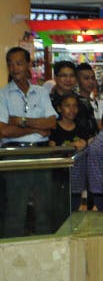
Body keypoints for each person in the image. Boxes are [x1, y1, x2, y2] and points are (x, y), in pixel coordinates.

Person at [0, 47, 57, 237]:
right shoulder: (3, 94)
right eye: (10, 64)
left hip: (41, 153)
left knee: (44, 207)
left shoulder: (40, 92)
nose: (14, 68)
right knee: (15, 208)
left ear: (28, 65)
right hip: (15, 154)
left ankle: (45, 246)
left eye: (19, 63)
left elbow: (51, 122)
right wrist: (36, 128)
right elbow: (3, 130)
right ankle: (11, 249)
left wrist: (20, 121)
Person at [49, 94, 92, 211]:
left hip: (77, 178)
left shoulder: (81, 128)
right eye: (67, 106)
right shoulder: (54, 128)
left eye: (74, 106)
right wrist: (70, 146)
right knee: (59, 209)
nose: (71, 109)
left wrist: (86, 144)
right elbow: (52, 153)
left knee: (74, 208)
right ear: (59, 108)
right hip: (58, 177)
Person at [75, 63, 103, 132]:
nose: (91, 82)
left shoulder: (97, 102)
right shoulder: (75, 103)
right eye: (86, 78)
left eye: (93, 78)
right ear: (77, 81)